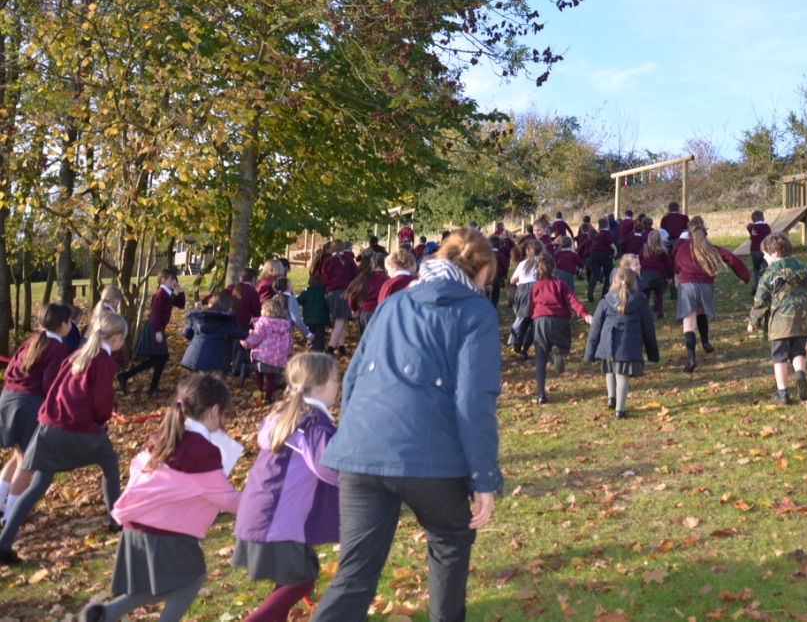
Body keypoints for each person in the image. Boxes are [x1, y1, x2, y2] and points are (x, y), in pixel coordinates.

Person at [310, 228, 501, 622]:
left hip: (362, 451)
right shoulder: (475, 310)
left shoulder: (394, 303)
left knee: (355, 572)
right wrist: (484, 477)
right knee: (450, 541)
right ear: (480, 270)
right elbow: (473, 400)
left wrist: (355, 436)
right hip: (427, 453)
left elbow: (354, 377)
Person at [82, 374, 240, 622]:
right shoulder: (202, 449)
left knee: (158, 586)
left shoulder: (166, 437)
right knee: (193, 576)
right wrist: (261, 504)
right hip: (161, 531)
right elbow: (225, 498)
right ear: (214, 410)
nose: (222, 421)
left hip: (137, 526)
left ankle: (103, 615)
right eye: (224, 415)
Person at [0, 312, 128, 566]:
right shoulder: (103, 361)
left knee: (40, 482)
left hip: (50, 424)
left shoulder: (77, 354)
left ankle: (4, 542)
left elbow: (55, 388)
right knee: (110, 464)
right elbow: (102, 403)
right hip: (77, 426)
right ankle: (115, 520)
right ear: (116, 338)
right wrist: (101, 422)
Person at [233, 353, 340, 622]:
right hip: (278, 519)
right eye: (335, 381)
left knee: (293, 576)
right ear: (319, 386)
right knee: (301, 579)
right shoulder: (313, 423)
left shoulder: (286, 415)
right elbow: (329, 467)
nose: (338, 387)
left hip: (266, 514)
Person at [0, 304, 73, 525]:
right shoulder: (58, 348)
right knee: (26, 461)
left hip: (7, 399)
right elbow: (51, 384)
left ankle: (3, 504)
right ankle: (13, 512)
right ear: (62, 325)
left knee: (16, 456)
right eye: (70, 322)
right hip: (28, 405)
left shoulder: (29, 342)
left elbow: (10, 371)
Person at [673, 216, 750, 373]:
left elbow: (676, 263)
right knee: (701, 312)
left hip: (687, 285)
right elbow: (731, 258)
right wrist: (744, 275)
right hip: (706, 286)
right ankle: (706, 342)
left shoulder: (683, 248)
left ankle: (691, 358)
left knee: (688, 323)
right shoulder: (710, 248)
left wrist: (674, 277)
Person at [748, 233, 807, 405]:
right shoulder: (804, 270)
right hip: (802, 320)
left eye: (765, 253)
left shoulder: (770, 273)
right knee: (798, 352)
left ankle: (783, 393)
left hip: (780, 323)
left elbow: (760, 300)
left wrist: (753, 321)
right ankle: (800, 374)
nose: (764, 257)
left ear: (774, 253)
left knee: (779, 356)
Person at [584, 267, 659, 419]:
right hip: (628, 344)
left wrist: (589, 353)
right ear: (634, 281)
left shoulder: (605, 301)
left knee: (609, 369)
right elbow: (648, 327)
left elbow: (596, 328)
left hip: (608, 341)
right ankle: (619, 409)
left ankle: (611, 396)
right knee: (622, 375)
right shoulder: (640, 301)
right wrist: (652, 352)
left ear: (614, 281)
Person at [528, 255, 592, 405]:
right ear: (554, 268)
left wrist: (533, 319)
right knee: (564, 343)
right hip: (559, 320)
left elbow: (531, 307)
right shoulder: (560, 284)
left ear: (537, 270)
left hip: (540, 321)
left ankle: (541, 394)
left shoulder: (535, 287)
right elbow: (572, 301)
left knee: (541, 359)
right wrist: (584, 315)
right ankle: (559, 350)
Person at [118, 269, 186, 396]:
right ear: (164, 280)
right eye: (172, 279)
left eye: (175, 279)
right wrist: (157, 331)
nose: (175, 281)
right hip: (154, 328)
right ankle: (151, 387)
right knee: (163, 356)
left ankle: (126, 376)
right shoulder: (160, 294)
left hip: (158, 328)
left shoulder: (168, 293)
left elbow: (181, 304)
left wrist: (181, 291)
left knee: (158, 358)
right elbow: (154, 314)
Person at [180, 291, 248, 375]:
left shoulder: (200, 317)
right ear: (227, 305)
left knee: (194, 384)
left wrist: (195, 339)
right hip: (210, 360)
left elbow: (186, 331)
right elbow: (242, 334)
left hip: (191, 357)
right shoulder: (225, 321)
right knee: (207, 384)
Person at [242, 297, 293, 405]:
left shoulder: (263, 324)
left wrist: (245, 342)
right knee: (271, 378)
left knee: (259, 374)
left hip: (262, 355)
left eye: (262, 309)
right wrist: (288, 353)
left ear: (267, 311)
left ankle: (259, 394)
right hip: (277, 357)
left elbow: (256, 337)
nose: (260, 311)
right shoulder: (284, 325)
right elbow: (289, 342)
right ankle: (268, 398)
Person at [320, 240, 358, 358]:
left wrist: (326, 290)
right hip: (345, 292)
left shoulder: (327, 261)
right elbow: (356, 276)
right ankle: (330, 349)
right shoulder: (349, 260)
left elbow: (324, 278)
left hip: (331, 293)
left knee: (340, 320)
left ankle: (342, 348)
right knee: (340, 321)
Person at [507, 239, 543, 361]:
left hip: (522, 291)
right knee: (535, 322)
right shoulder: (542, 262)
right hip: (537, 291)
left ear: (527, 252)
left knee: (523, 319)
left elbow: (512, 280)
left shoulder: (523, 264)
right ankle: (525, 349)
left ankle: (517, 343)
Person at [346, 253, 387, 337]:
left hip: (365, 311)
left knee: (366, 341)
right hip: (382, 312)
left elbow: (352, 294)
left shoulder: (363, 277)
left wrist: (354, 309)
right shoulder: (387, 278)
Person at [640, 230, 674, 320]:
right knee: (659, 294)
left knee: (646, 293)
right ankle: (660, 312)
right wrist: (670, 276)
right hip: (658, 275)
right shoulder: (662, 251)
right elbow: (669, 264)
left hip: (646, 274)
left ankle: (645, 312)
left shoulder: (644, 249)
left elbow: (639, 259)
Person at [586, 217, 617, 303]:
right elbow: (609, 241)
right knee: (608, 273)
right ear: (608, 224)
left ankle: (590, 288)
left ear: (599, 226)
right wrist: (615, 249)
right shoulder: (607, 233)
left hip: (593, 254)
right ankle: (604, 294)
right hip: (604, 254)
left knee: (595, 274)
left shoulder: (598, 234)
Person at [274, 276, 313, 345]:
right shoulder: (291, 299)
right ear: (288, 285)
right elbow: (296, 319)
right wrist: (308, 334)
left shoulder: (274, 298)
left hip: (273, 331)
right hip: (285, 332)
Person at [297, 275, 331, 353]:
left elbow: (298, 300)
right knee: (320, 336)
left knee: (311, 335)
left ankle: (312, 348)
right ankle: (319, 351)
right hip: (321, 319)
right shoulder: (324, 293)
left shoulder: (306, 293)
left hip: (309, 319)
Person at [746, 210, 773, 296]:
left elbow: (748, 225)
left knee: (756, 268)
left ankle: (756, 284)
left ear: (753, 220)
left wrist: (750, 231)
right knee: (766, 268)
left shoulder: (752, 228)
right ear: (763, 218)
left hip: (755, 251)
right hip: (765, 251)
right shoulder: (766, 227)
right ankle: (766, 284)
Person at [488, 235, 510, 308]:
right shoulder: (500, 255)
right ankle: (493, 306)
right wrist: (504, 274)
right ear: (500, 245)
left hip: (486, 275)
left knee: (486, 292)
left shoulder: (485, 254)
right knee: (495, 293)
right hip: (496, 275)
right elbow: (504, 265)